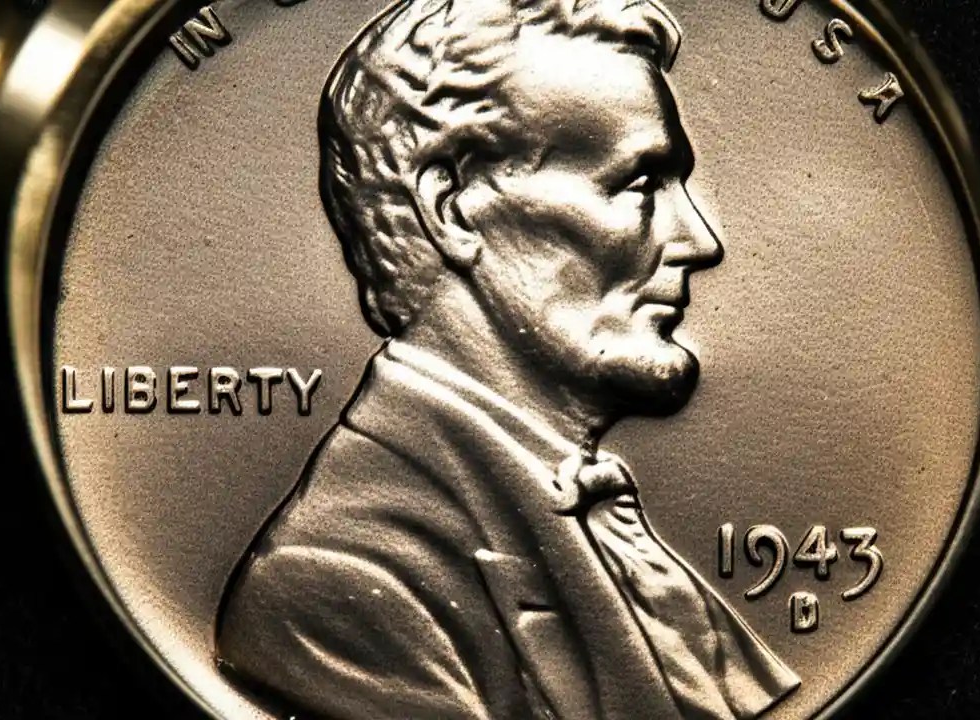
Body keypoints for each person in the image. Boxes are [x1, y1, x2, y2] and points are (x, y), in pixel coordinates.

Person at [216, 1, 800, 717]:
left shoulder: (583, 512)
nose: (699, 239)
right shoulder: (334, 583)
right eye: (640, 185)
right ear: (453, 206)